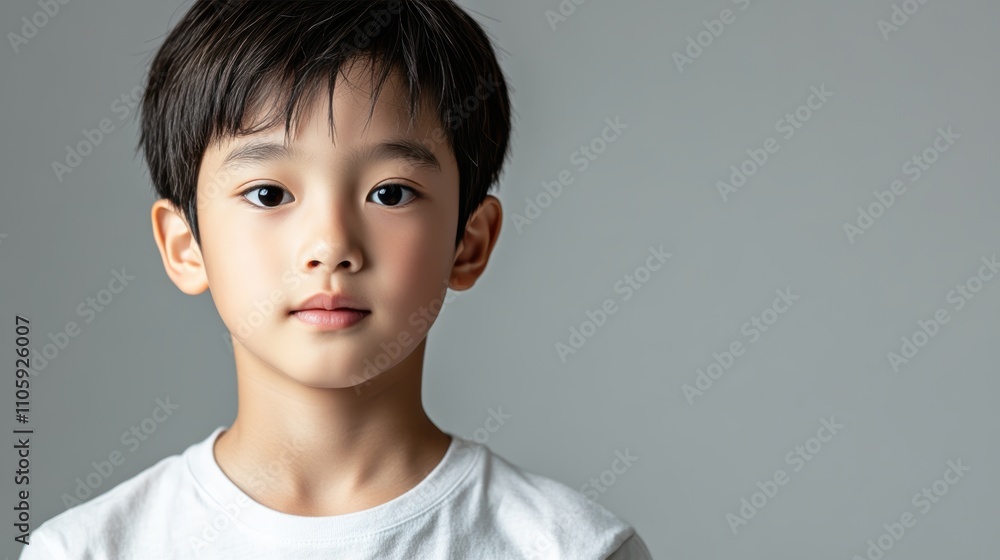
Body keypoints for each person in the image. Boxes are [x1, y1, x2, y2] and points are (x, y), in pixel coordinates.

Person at [19, 1, 652, 558]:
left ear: (469, 242)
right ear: (186, 247)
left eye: (391, 192)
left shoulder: (572, 548)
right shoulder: (86, 550)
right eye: (268, 193)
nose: (332, 246)